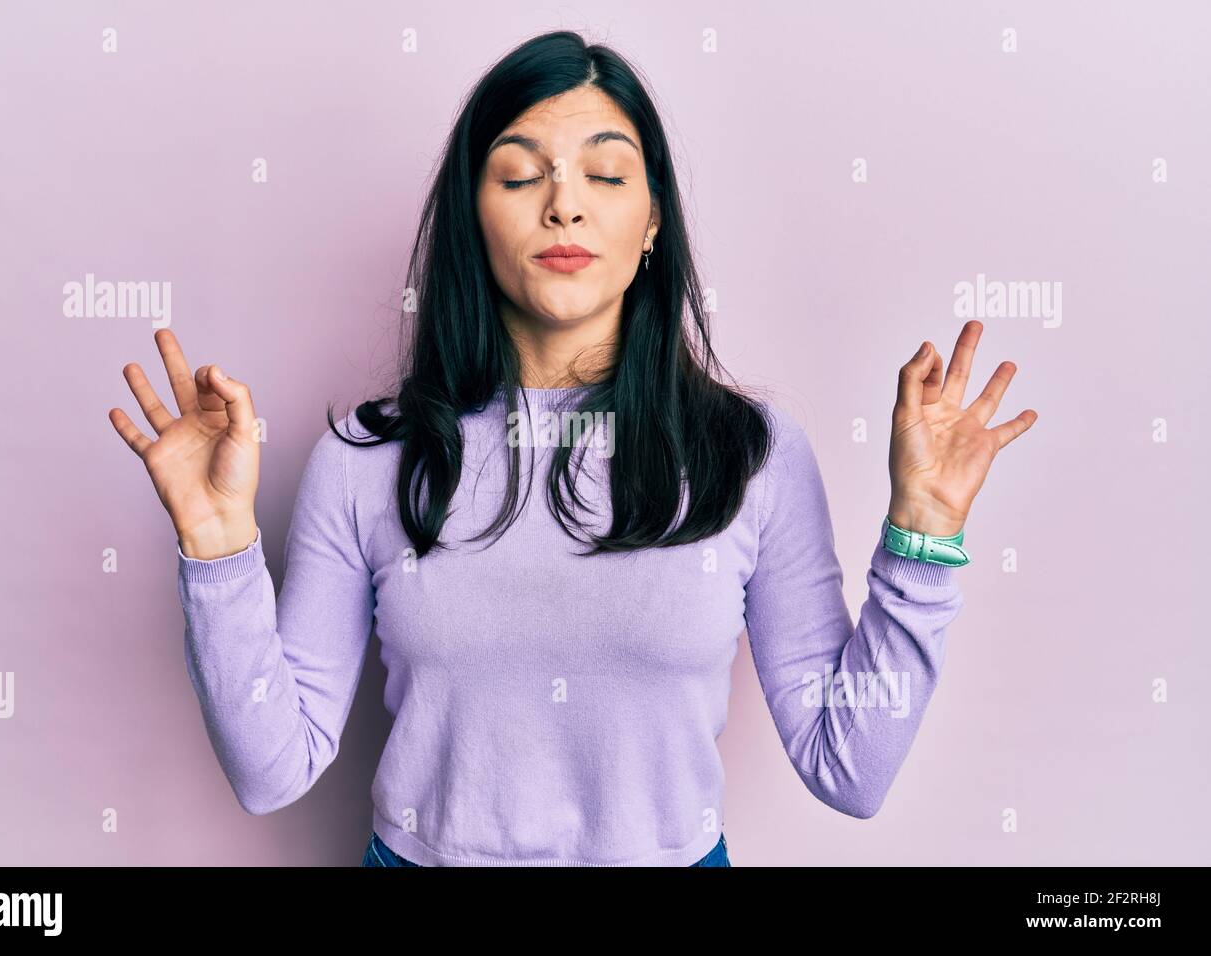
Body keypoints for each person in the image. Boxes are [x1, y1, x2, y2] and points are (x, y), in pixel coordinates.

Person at [108, 30, 1036, 867]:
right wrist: (219, 544)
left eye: (606, 175)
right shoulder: (365, 460)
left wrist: (926, 533)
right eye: (520, 176)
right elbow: (273, 772)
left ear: (653, 223)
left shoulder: (751, 456)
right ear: (473, 217)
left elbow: (850, 770)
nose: (564, 207)